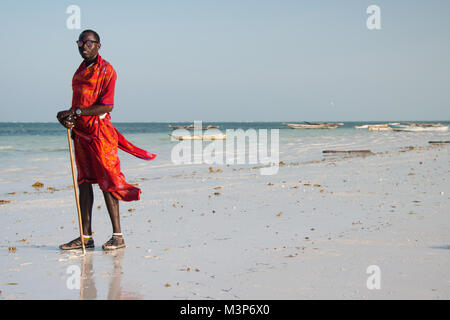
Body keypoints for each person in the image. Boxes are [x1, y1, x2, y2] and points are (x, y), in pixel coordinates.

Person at [57, 30, 156, 251]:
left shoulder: (106, 70)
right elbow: (77, 105)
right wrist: (69, 120)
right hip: (81, 134)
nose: (84, 46)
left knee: (108, 182)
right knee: (83, 183)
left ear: (99, 45)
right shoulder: (79, 72)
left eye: (89, 42)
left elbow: (107, 105)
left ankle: (118, 236)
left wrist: (77, 112)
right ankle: (85, 236)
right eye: (80, 42)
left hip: (101, 133)